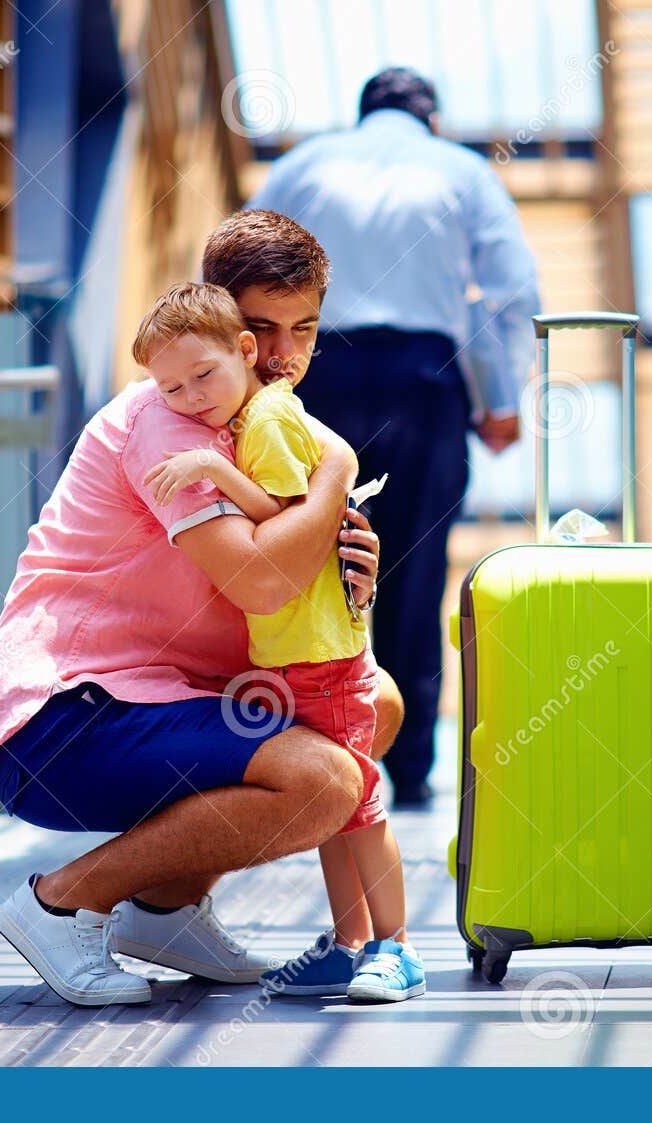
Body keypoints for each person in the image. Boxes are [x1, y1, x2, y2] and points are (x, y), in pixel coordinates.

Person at [0, 215, 401, 1007]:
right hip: (66, 717)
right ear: (214, 315)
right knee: (326, 779)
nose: (282, 355)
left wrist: (348, 580)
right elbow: (262, 584)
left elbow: (288, 609)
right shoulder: (174, 421)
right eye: (261, 328)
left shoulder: (256, 421)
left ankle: (165, 910)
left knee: (378, 706)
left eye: (303, 329)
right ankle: (59, 901)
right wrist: (337, 472)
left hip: (161, 695)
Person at [247, 67, 541, 804]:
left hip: (317, 375)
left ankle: (300, 753)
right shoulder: (464, 171)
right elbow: (508, 290)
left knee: (300, 563)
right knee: (413, 569)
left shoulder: (302, 165)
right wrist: (500, 399)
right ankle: (403, 767)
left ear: (361, 112)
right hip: (423, 379)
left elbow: (233, 267)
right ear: (432, 119)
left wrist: (246, 387)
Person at [137, 281, 425, 1002]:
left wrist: (211, 469)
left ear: (241, 352)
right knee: (335, 810)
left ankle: (397, 946)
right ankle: (350, 940)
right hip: (297, 652)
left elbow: (287, 524)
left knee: (357, 808)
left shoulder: (262, 421)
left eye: (204, 376)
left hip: (323, 655)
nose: (192, 396)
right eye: (171, 388)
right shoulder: (249, 416)